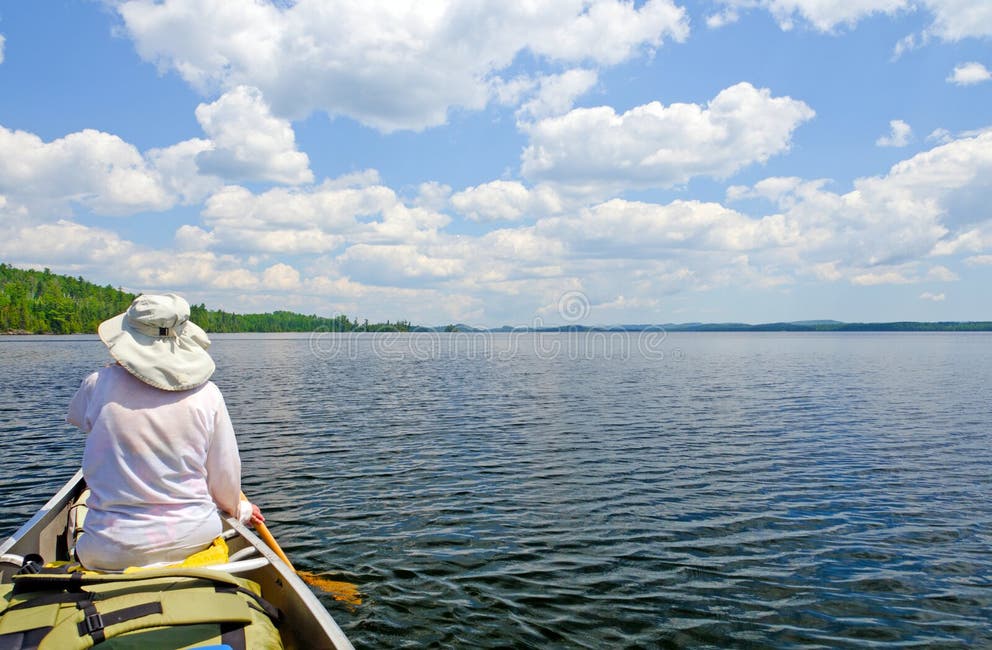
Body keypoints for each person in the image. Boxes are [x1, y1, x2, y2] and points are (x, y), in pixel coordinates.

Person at [67, 293, 263, 571]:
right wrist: (241, 510)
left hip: (110, 550)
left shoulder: (96, 385)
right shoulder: (209, 394)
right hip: (193, 541)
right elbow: (224, 477)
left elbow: (86, 425)